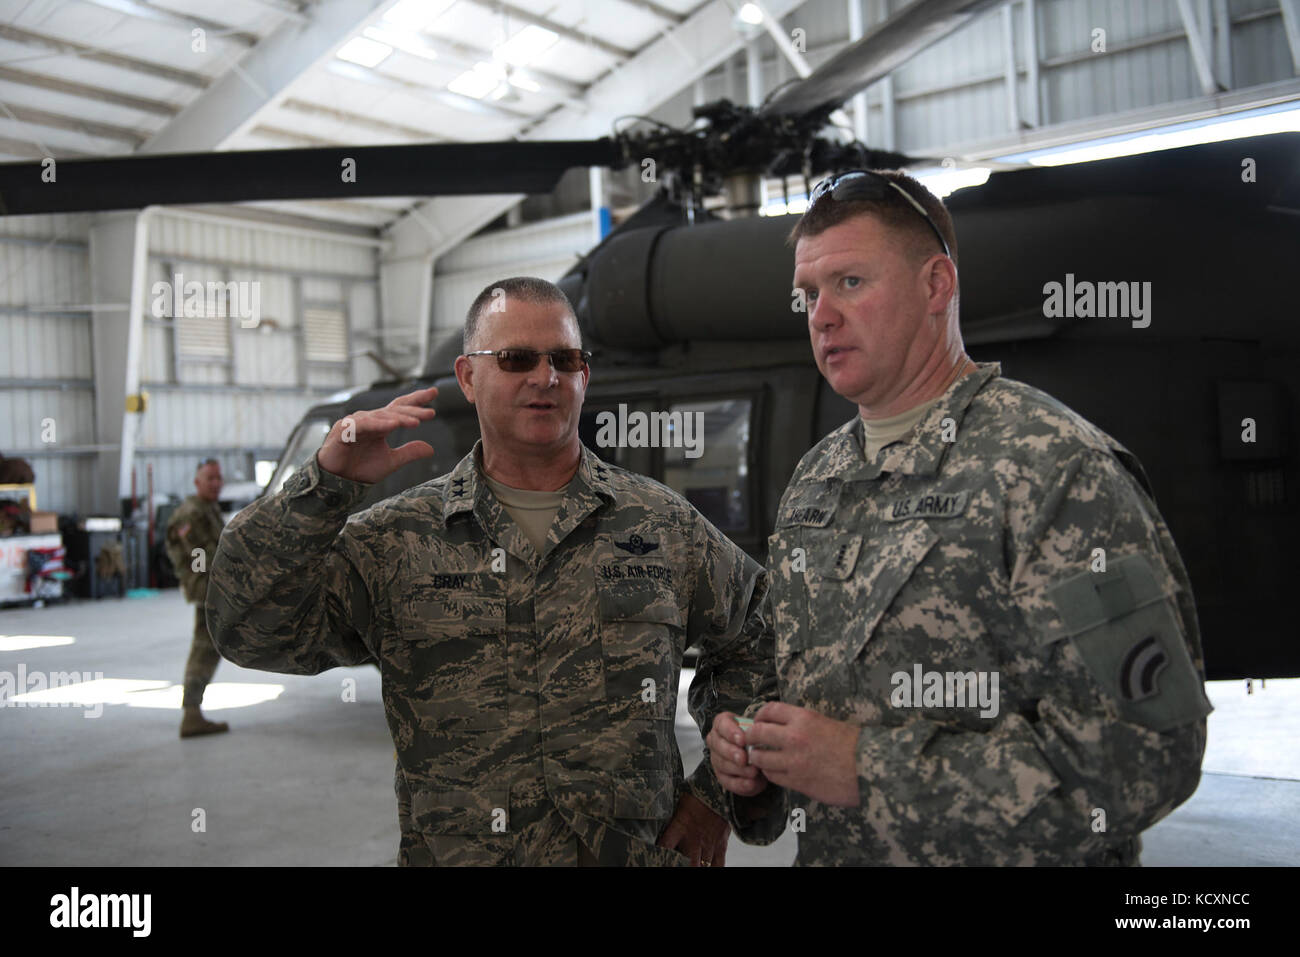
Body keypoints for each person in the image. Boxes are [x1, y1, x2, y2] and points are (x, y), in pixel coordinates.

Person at [708, 169, 1212, 865]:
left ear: (935, 284)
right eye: (809, 294)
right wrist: (754, 754)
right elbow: (797, 687)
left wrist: (867, 768)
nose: (821, 315)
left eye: (851, 282)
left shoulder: (1054, 466)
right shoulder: (818, 479)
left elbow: (1149, 748)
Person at [207, 276, 785, 866]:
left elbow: (764, 641)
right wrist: (322, 488)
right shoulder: (395, 539)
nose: (545, 377)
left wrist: (715, 794)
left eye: (564, 359)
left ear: (585, 376)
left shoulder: (663, 524)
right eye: (515, 359)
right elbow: (248, 629)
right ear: (467, 376)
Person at [166, 458, 230, 738]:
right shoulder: (191, 513)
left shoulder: (207, 509)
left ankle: (193, 711)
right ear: (197, 482)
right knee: (204, 648)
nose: (216, 484)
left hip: (214, 587)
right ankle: (191, 714)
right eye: (210, 479)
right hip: (207, 590)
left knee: (210, 647)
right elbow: (200, 558)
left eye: (218, 478)